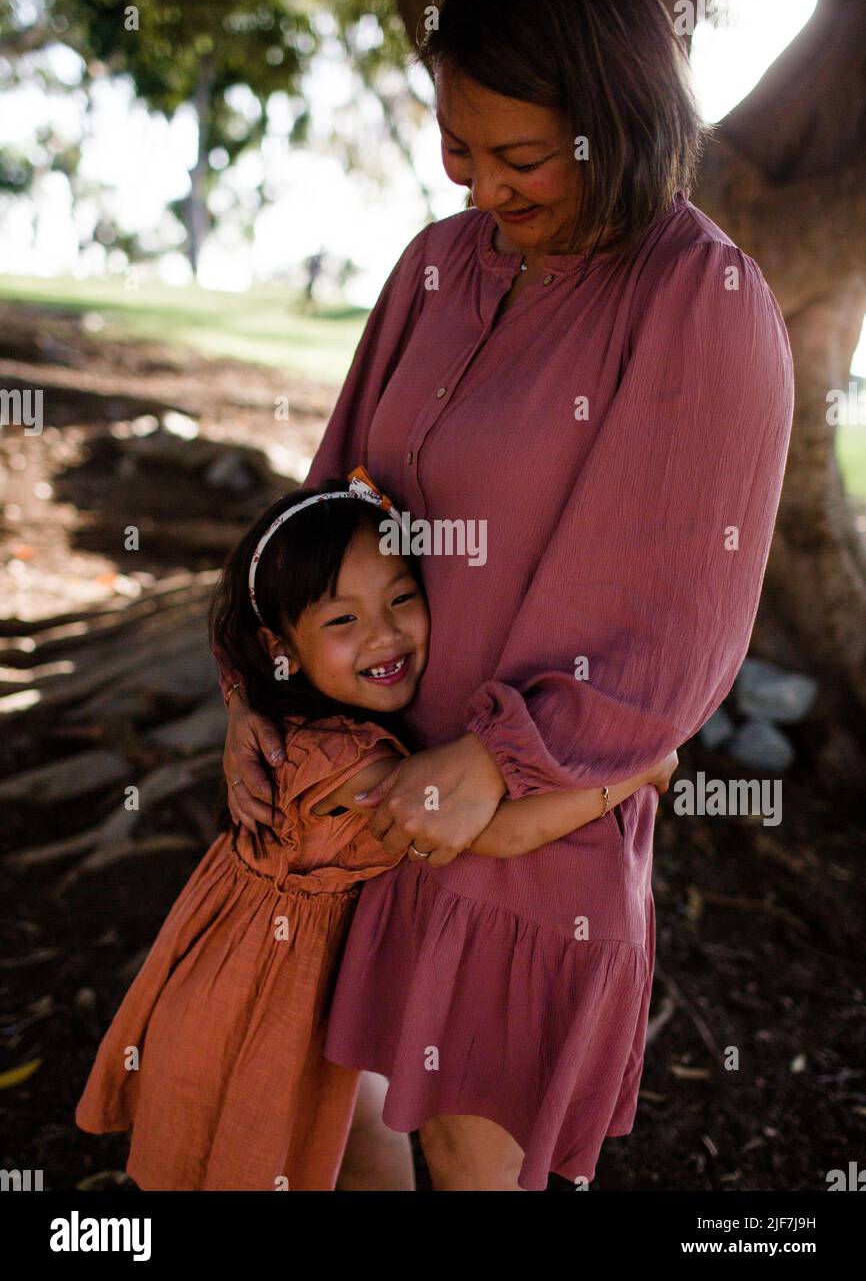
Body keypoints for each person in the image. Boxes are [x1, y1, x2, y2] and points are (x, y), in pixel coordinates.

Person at [218, 0, 794, 1191]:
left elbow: (684, 625)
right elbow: (322, 514)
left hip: (526, 849)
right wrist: (257, 696)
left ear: (617, 116)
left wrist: (500, 760)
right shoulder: (434, 268)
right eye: (457, 146)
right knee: (337, 1153)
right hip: (361, 804)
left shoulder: (700, 302)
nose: (476, 186)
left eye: (519, 155)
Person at [75, 466, 673, 1190]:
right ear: (280, 649)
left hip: (290, 967)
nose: (384, 634)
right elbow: (497, 834)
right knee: (255, 1150)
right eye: (341, 620)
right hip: (260, 989)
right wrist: (630, 772)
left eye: (401, 598)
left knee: (348, 1126)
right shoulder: (339, 758)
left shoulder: (338, 721)